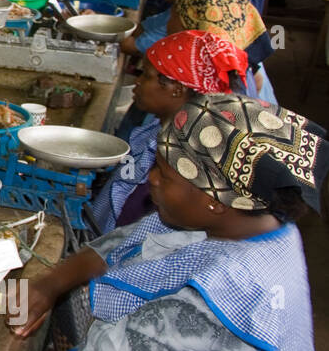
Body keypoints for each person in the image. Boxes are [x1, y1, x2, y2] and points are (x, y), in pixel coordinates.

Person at [8, 93, 328, 351]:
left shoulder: (228, 299)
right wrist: (49, 285)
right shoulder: (256, 223)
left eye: (164, 173)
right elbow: (122, 242)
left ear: (214, 200)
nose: (151, 179)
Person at [89, 30, 247, 235]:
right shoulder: (156, 129)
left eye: (146, 75)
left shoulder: (180, 164)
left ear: (177, 89)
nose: (137, 82)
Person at [171, 0, 279, 106]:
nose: (168, 23)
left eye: (172, 16)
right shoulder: (242, 68)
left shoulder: (191, 80)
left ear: (191, 26)